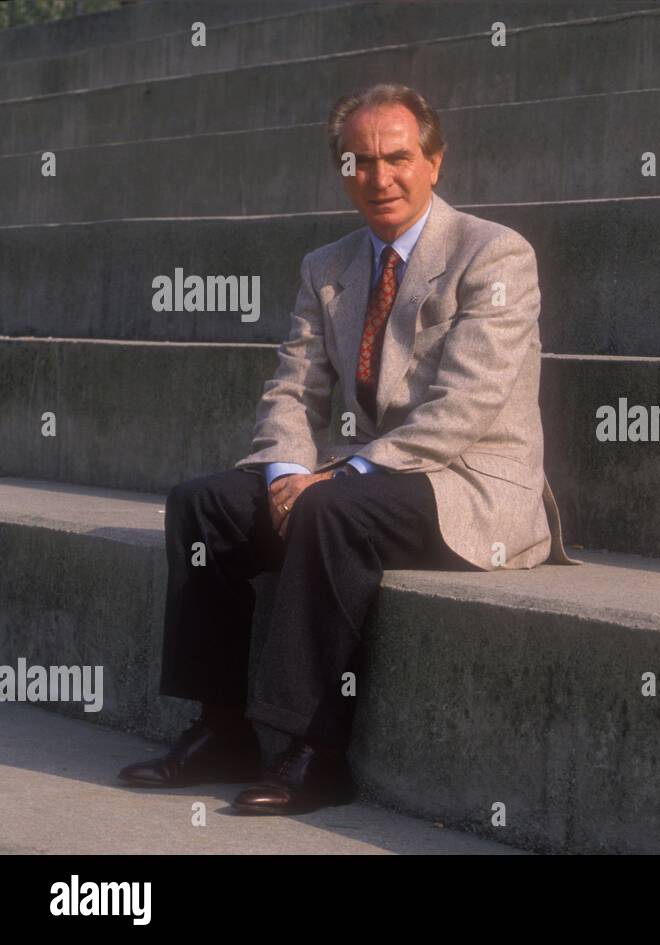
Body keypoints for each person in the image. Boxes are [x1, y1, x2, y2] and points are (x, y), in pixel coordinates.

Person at [118, 83, 577, 815]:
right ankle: (222, 728)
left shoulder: (494, 254)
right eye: (358, 161)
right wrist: (287, 471)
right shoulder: (326, 266)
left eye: (397, 157)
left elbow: (465, 406)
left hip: (471, 483)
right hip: (366, 477)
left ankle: (315, 752)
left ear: (434, 160)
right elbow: (293, 391)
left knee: (332, 508)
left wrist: (340, 474)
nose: (378, 177)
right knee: (205, 503)